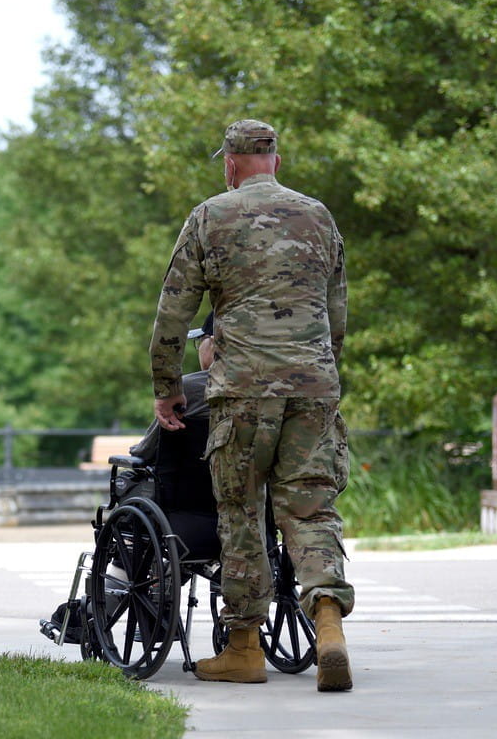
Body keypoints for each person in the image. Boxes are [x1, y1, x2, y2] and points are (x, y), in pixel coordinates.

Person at [149, 119, 354, 692]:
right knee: (310, 510)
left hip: (242, 388)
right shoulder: (319, 216)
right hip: (313, 384)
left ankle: (243, 648)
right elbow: (336, 313)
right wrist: (323, 372)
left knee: (240, 510)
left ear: (230, 165)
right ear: (276, 163)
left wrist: (167, 385)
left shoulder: (211, 215)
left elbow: (174, 313)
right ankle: (329, 626)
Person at [130, 312, 214, 463]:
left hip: (191, 484)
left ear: (214, 343)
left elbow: (145, 451)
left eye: (200, 341)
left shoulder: (184, 388)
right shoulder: (265, 386)